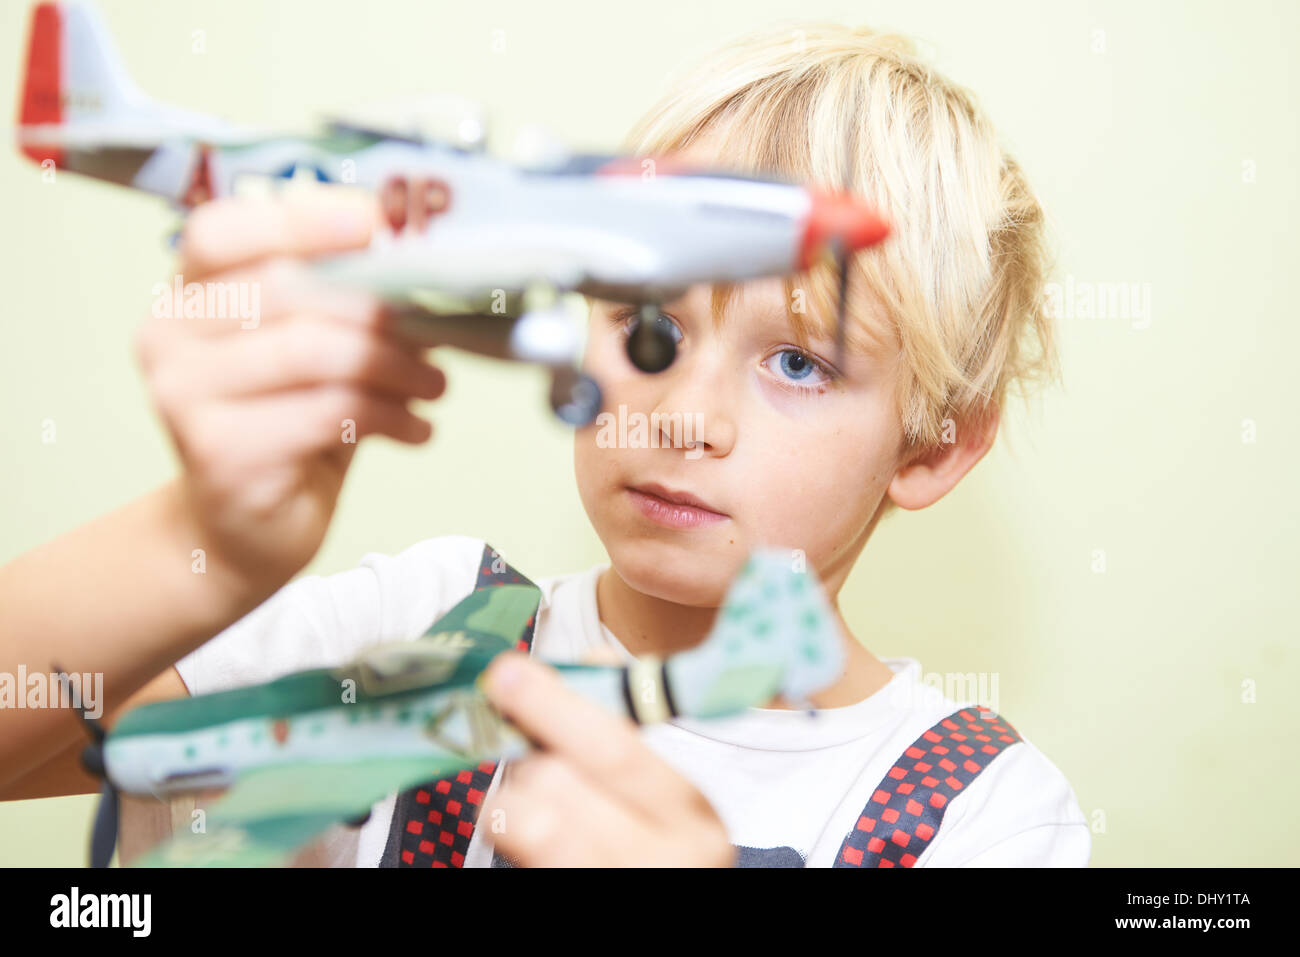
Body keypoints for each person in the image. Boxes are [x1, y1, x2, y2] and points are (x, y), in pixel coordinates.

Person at [0, 22, 1088, 867]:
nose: (682, 416)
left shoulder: (983, 815)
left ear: (930, 449)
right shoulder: (424, 630)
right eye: (646, 325)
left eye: (798, 363)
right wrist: (204, 541)